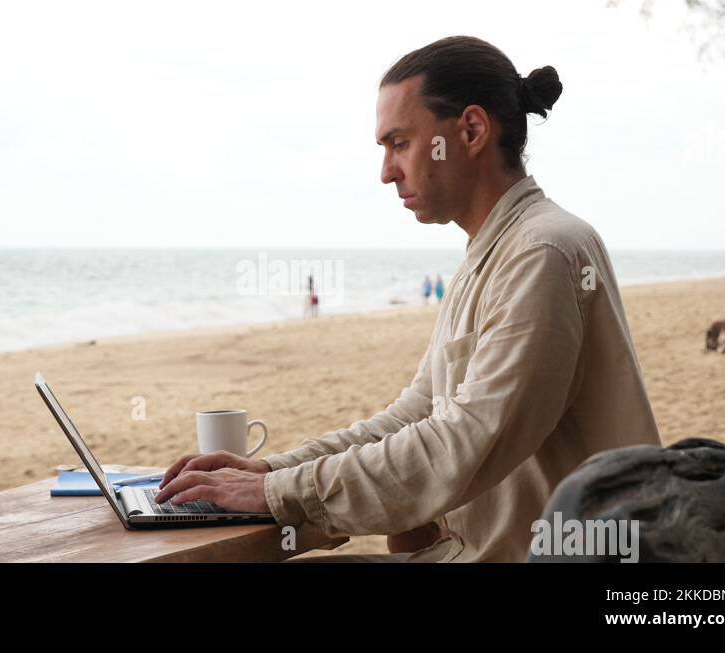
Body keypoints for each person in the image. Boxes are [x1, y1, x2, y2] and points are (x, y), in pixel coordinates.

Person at [156, 36, 661, 562]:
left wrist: (277, 493)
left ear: (470, 131)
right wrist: (272, 471)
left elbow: (464, 441)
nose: (386, 171)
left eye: (399, 143)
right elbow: (417, 413)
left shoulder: (543, 251)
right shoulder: (492, 252)